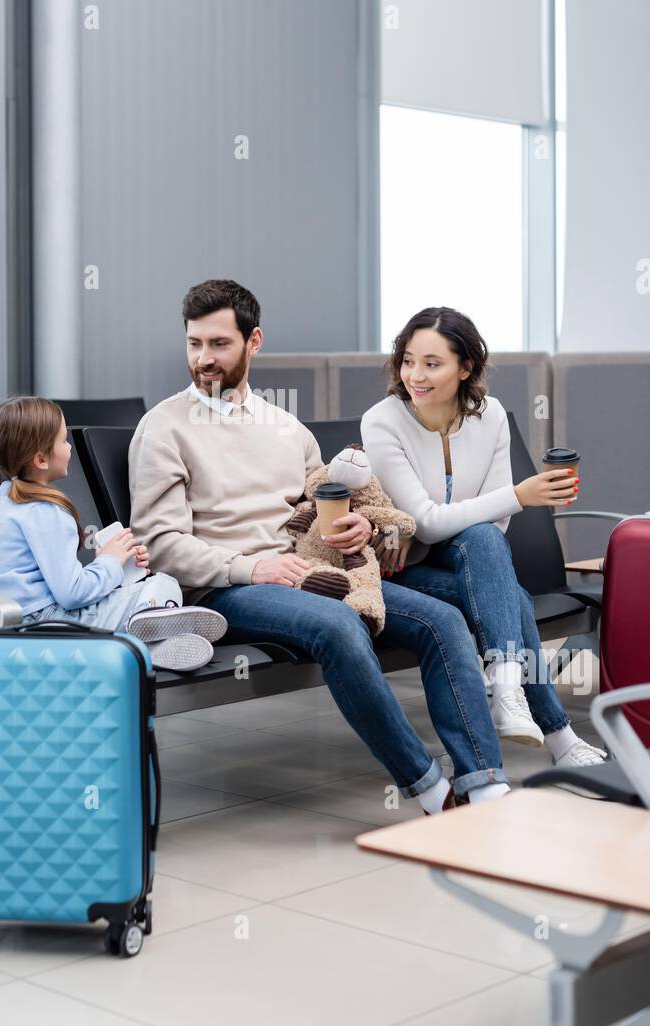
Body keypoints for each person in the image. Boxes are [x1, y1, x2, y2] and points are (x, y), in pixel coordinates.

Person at [129, 279, 512, 811]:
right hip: (226, 588)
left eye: (219, 344)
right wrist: (250, 568)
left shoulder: (287, 429)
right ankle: (428, 786)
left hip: (312, 572)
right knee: (338, 623)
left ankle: (485, 784)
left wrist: (361, 528)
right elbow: (160, 543)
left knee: (442, 622)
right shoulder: (162, 429)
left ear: (253, 341)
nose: (204, 359)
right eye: (195, 344)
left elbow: (332, 505)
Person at [361, 306, 605, 770]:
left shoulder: (489, 415)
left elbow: (494, 526)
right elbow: (426, 523)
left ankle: (508, 689)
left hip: (466, 558)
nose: (416, 374)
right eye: (408, 360)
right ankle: (555, 731)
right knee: (508, 596)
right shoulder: (382, 421)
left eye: (432, 364)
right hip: (402, 571)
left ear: (465, 366)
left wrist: (503, 502)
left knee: (484, 540)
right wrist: (518, 494)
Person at [0, 396, 226, 671]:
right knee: (163, 584)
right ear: (41, 459)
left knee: (142, 587)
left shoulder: (1, 502)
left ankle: (151, 644)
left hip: (0, 630)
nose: (69, 447)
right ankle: (144, 632)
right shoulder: (44, 511)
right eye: (63, 440)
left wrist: (108, 563)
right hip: (45, 630)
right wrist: (110, 563)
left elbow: (54, 584)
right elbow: (72, 595)